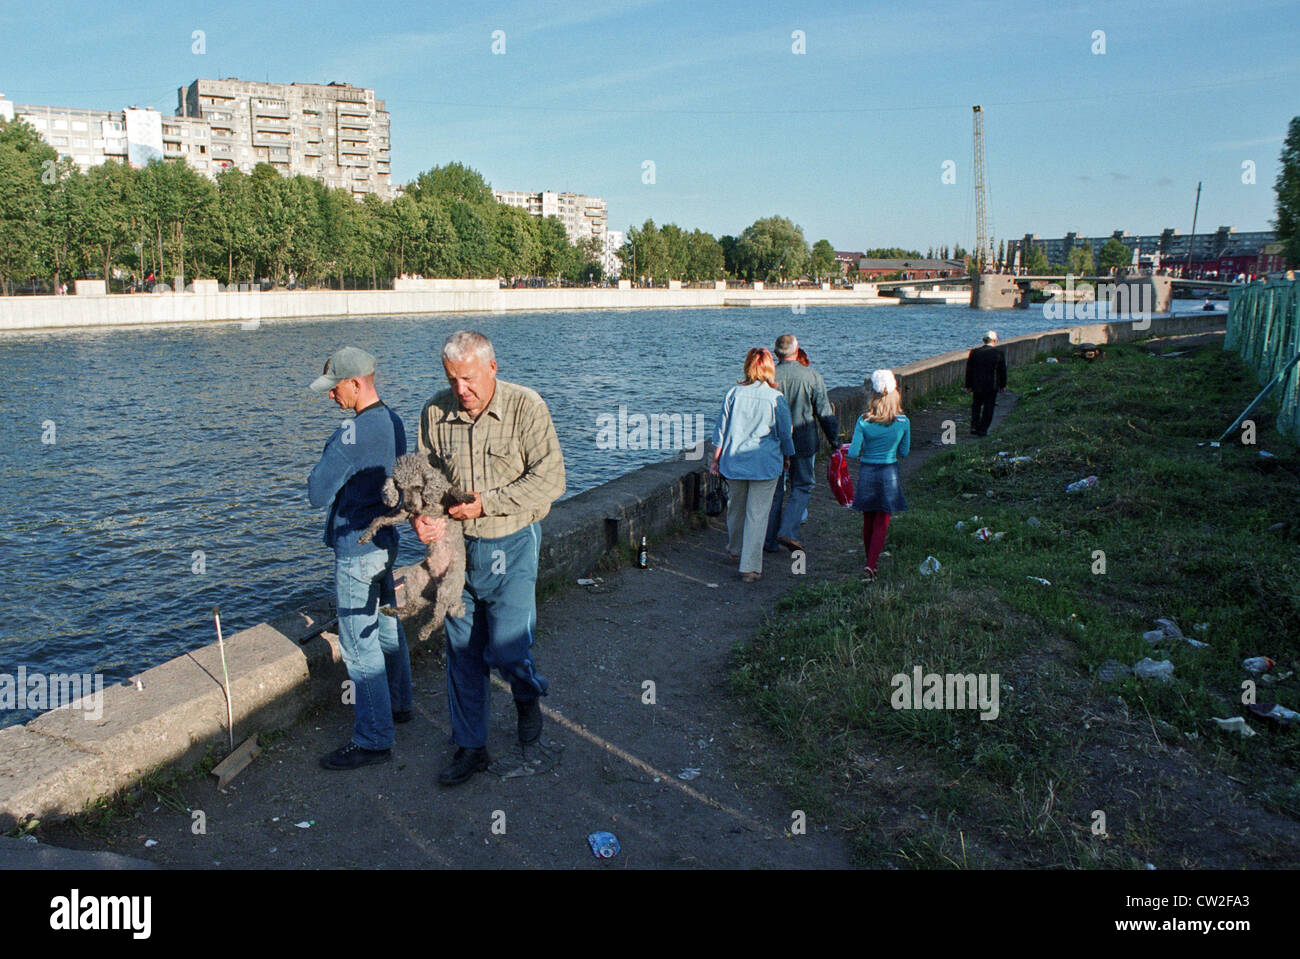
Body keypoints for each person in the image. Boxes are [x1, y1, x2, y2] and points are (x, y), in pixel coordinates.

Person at [412, 331, 566, 786]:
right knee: (461, 651)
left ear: (493, 369)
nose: (461, 389)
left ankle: (530, 722)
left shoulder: (526, 407)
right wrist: (423, 519)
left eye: (470, 378)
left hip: (512, 544)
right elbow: (425, 481)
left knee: (509, 648)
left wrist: (487, 503)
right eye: (453, 379)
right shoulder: (435, 412)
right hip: (457, 552)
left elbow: (551, 480)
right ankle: (471, 746)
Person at [307, 346, 414, 770]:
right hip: (386, 544)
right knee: (387, 627)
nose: (330, 397)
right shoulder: (394, 421)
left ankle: (373, 739)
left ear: (355, 383)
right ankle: (400, 705)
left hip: (356, 550)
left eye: (334, 389)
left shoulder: (349, 434)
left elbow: (316, 493)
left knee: (358, 644)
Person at [710, 347, 794, 582]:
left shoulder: (733, 394)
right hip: (765, 464)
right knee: (757, 514)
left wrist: (715, 460)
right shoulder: (776, 398)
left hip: (734, 462)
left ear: (747, 366)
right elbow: (785, 435)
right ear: (770, 368)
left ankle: (734, 549)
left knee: (735, 507)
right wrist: (788, 457)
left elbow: (720, 432)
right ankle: (749, 566)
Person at [765, 334, 839, 554]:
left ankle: (769, 541)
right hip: (804, 440)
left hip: (774, 442)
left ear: (777, 353)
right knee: (803, 485)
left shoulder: (770, 377)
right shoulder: (812, 376)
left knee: (775, 491)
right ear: (796, 351)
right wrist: (835, 441)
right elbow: (824, 413)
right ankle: (788, 530)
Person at [848, 370, 910, 582]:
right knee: (883, 520)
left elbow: (854, 453)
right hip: (889, 472)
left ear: (872, 395)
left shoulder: (863, 421)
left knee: (868, 518)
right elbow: (904, 451)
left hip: (867, 472)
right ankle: (871, 564)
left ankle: (870, 561)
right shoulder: (903, 422)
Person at [964, 330, 1006, 437]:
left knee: (976, 405)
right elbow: (1002, 371)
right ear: (995, 341)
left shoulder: (974, 352)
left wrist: (968, 385)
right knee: (988, 407)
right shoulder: (998, 353)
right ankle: (983, 429)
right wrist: (1002, 385)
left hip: (977, 384)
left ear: (983, 340)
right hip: (991, 385)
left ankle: (974, 426)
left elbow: (969, 370)